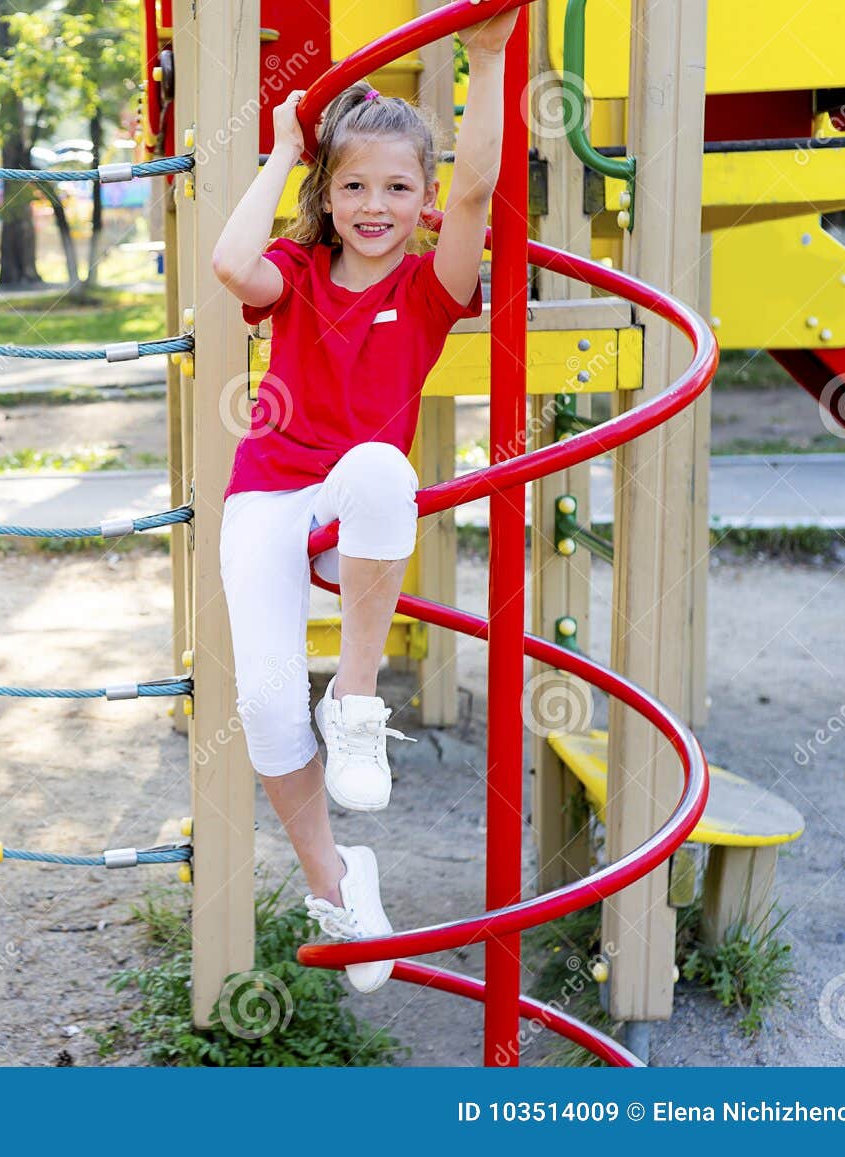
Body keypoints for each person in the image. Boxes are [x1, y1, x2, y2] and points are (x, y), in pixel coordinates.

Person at [209, 12, 515, 992]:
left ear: (423, 199)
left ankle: (355, 698)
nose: (374, 205)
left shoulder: (431, 288)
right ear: (326, 196)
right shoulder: (298, 272)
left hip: (358, 508)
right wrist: (282, 151)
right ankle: (337, 881)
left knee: (385, 465)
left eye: (396, 187)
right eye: (352, 187)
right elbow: (229, 264)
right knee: (263, 705)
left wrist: (490, 58)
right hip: (269, 490)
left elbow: (479, 186)